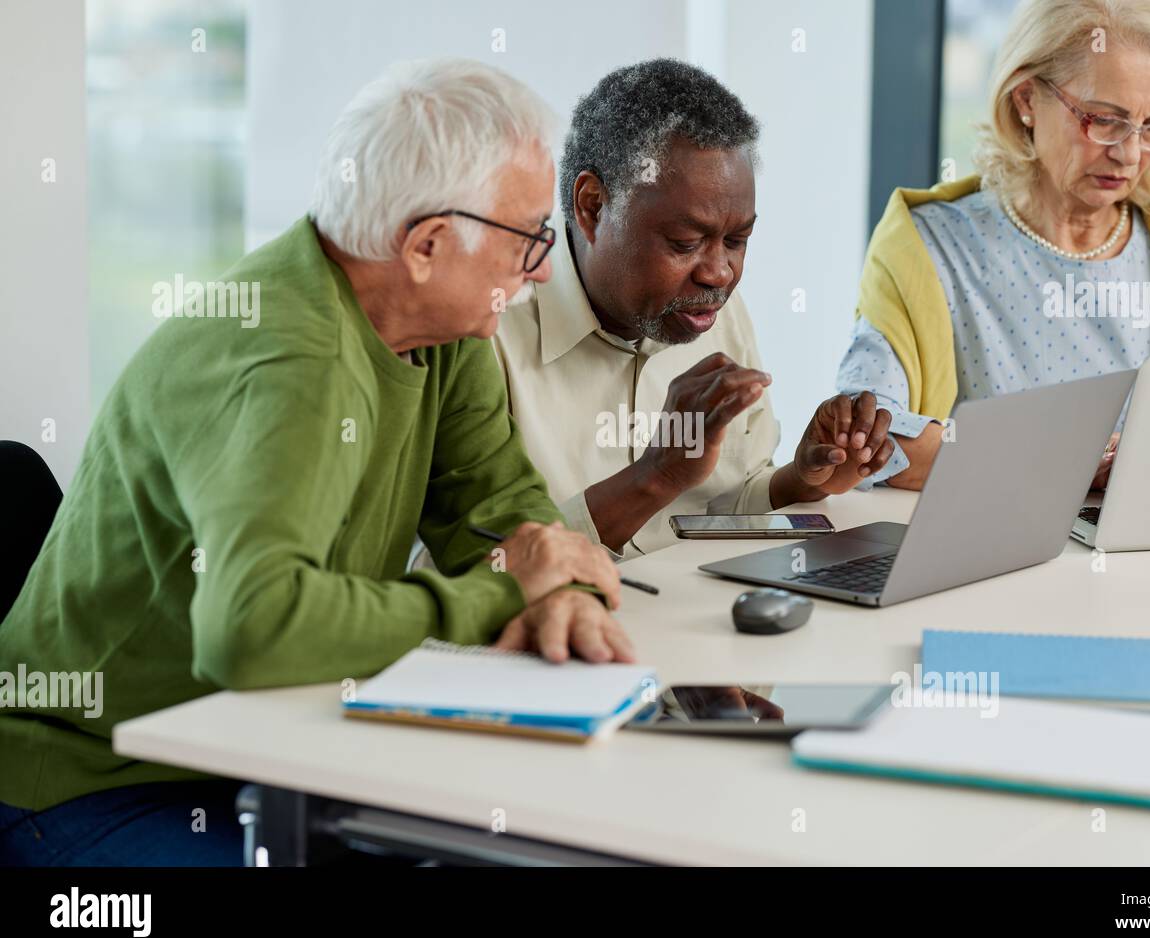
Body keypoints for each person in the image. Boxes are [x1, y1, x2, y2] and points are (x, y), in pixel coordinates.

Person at [0, 58, 629, 866]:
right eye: (529, 238)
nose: (544, 268)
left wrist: (564, 593)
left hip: (265, 746)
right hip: (97, 780)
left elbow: (507, 512)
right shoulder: (286, 360)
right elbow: (250, 631)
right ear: (428, 244)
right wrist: (502, 591)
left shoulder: (439, 328)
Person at [481, 59, 895, 560]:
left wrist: (801, 480)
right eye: (684, 241)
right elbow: (483, 566)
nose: (720, 273)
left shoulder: (710, 308)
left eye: (738, 239)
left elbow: (721, 507)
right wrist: (655, 476)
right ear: (592, 207)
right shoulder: (488, 329)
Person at [837, 0, 1150, 492]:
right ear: (1026, 99)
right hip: (982, 556)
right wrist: (1073, 460)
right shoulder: (928, 245)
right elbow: (868, 439)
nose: (1128, 153)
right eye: (1104, 120)